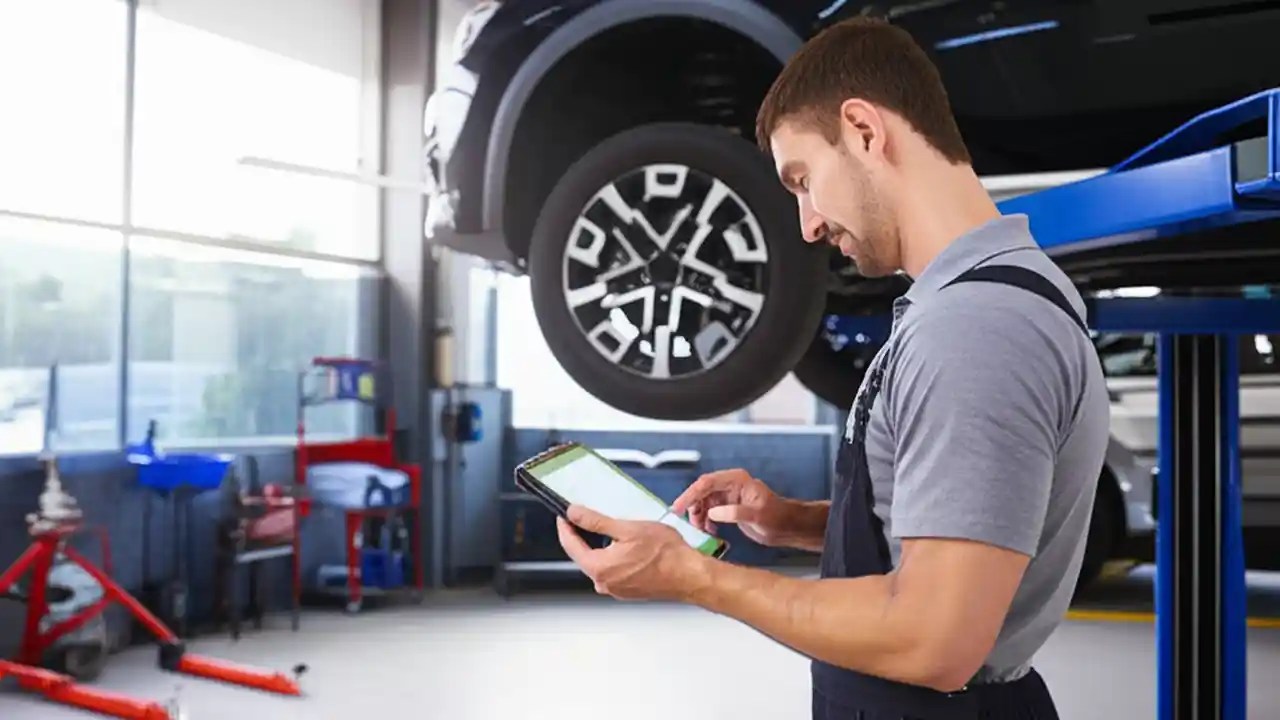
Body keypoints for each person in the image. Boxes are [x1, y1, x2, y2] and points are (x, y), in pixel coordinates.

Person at [555, 15, 1110, 720]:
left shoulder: (974, 330)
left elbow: (932, 640)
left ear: (865, 131)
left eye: (802, 179)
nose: (807, 224)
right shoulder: (992, 297)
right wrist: (790, 521)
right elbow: (973, 520)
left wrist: (692, 577)